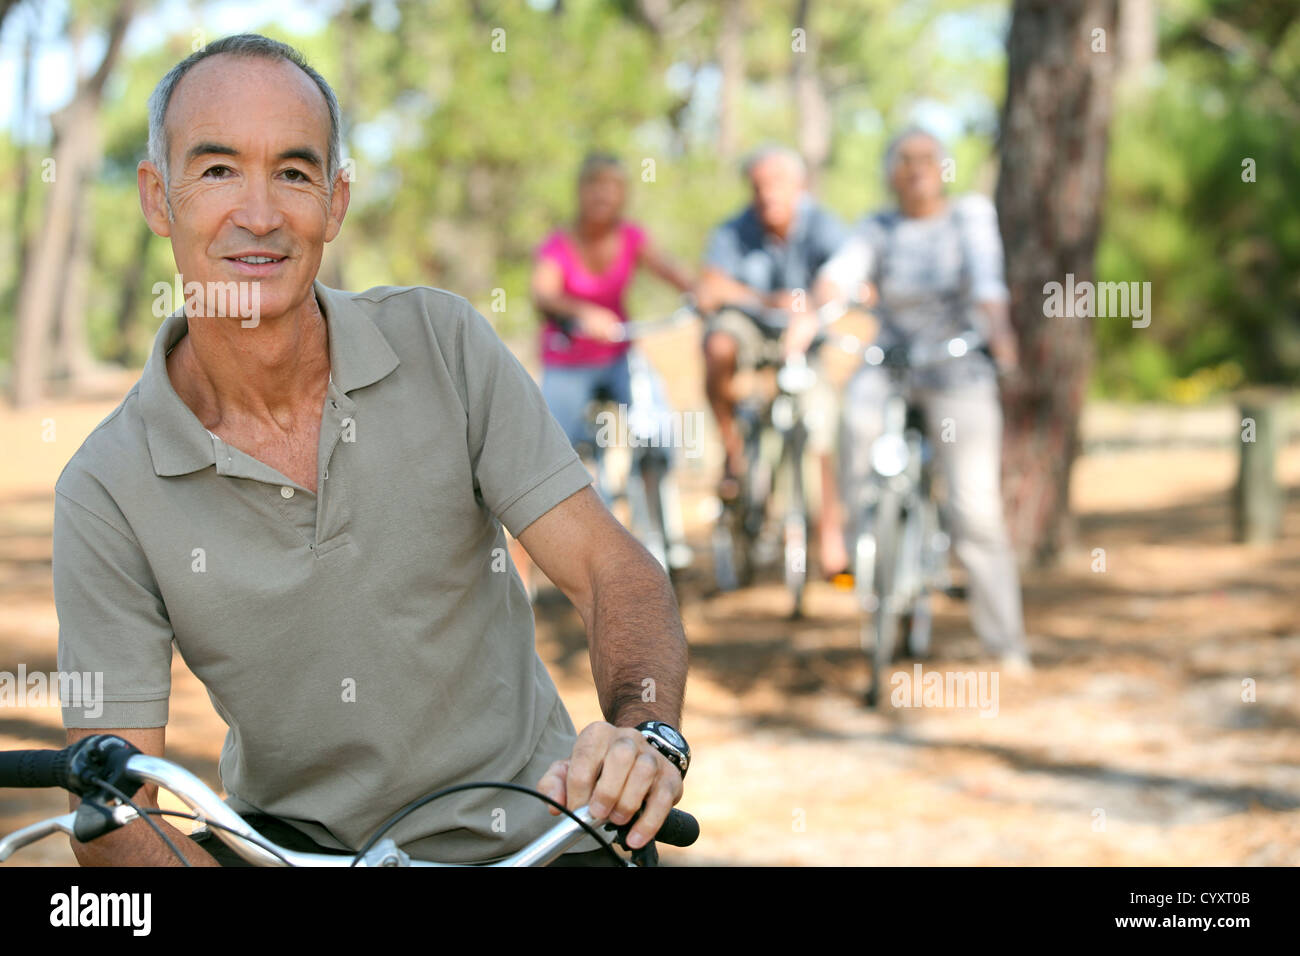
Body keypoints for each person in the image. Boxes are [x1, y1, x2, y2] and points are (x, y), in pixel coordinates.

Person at [52, 34, 690, 867]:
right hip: (292, 854)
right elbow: (112, 802)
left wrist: (649, 737)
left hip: (538, 835)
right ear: (156, 198)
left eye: (293, 171)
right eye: (216, 171)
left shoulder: (442, 342)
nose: (260, 213)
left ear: (337, 200)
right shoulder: (105, 488)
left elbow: (613, 571)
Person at [814, 127, 1031, 669]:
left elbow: (988, 284)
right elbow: (838, 275)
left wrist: (1001, 337)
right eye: (905, 160)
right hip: (890, 364)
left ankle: (1006, 647)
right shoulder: (877, 226)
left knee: (975, 509)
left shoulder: (969, 216)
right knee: (856, 432)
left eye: (927, 159)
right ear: (891, 172)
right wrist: (817, 308)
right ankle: (873, 564)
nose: (916, 169)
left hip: (958, 363)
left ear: (945, 169)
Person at [695, 145, 850, 577]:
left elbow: (848, 273)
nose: (769, 195)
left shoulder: (822, 225)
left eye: (778, 184)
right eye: (760, 186)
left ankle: (831, 537)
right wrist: (764, 300)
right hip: (751, 331)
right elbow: (709, 285)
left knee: (824, 422)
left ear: (799, 186)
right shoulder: (734, 230)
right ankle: (732, 451)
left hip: (803, 343)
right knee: (718, 345)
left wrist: (812, 309)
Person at [529, 152, 692, 455]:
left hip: (620, 357)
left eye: (612, 185)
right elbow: (542, 293)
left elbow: (669, 269)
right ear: (579, 191)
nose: (602, 193)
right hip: (569, 361)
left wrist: (699, 292)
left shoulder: (632, 237)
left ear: (624, 193)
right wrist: (583, 312)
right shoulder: (557, 244)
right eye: (594, 184)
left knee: (658, 432)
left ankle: (653, 485)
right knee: (551, 451)